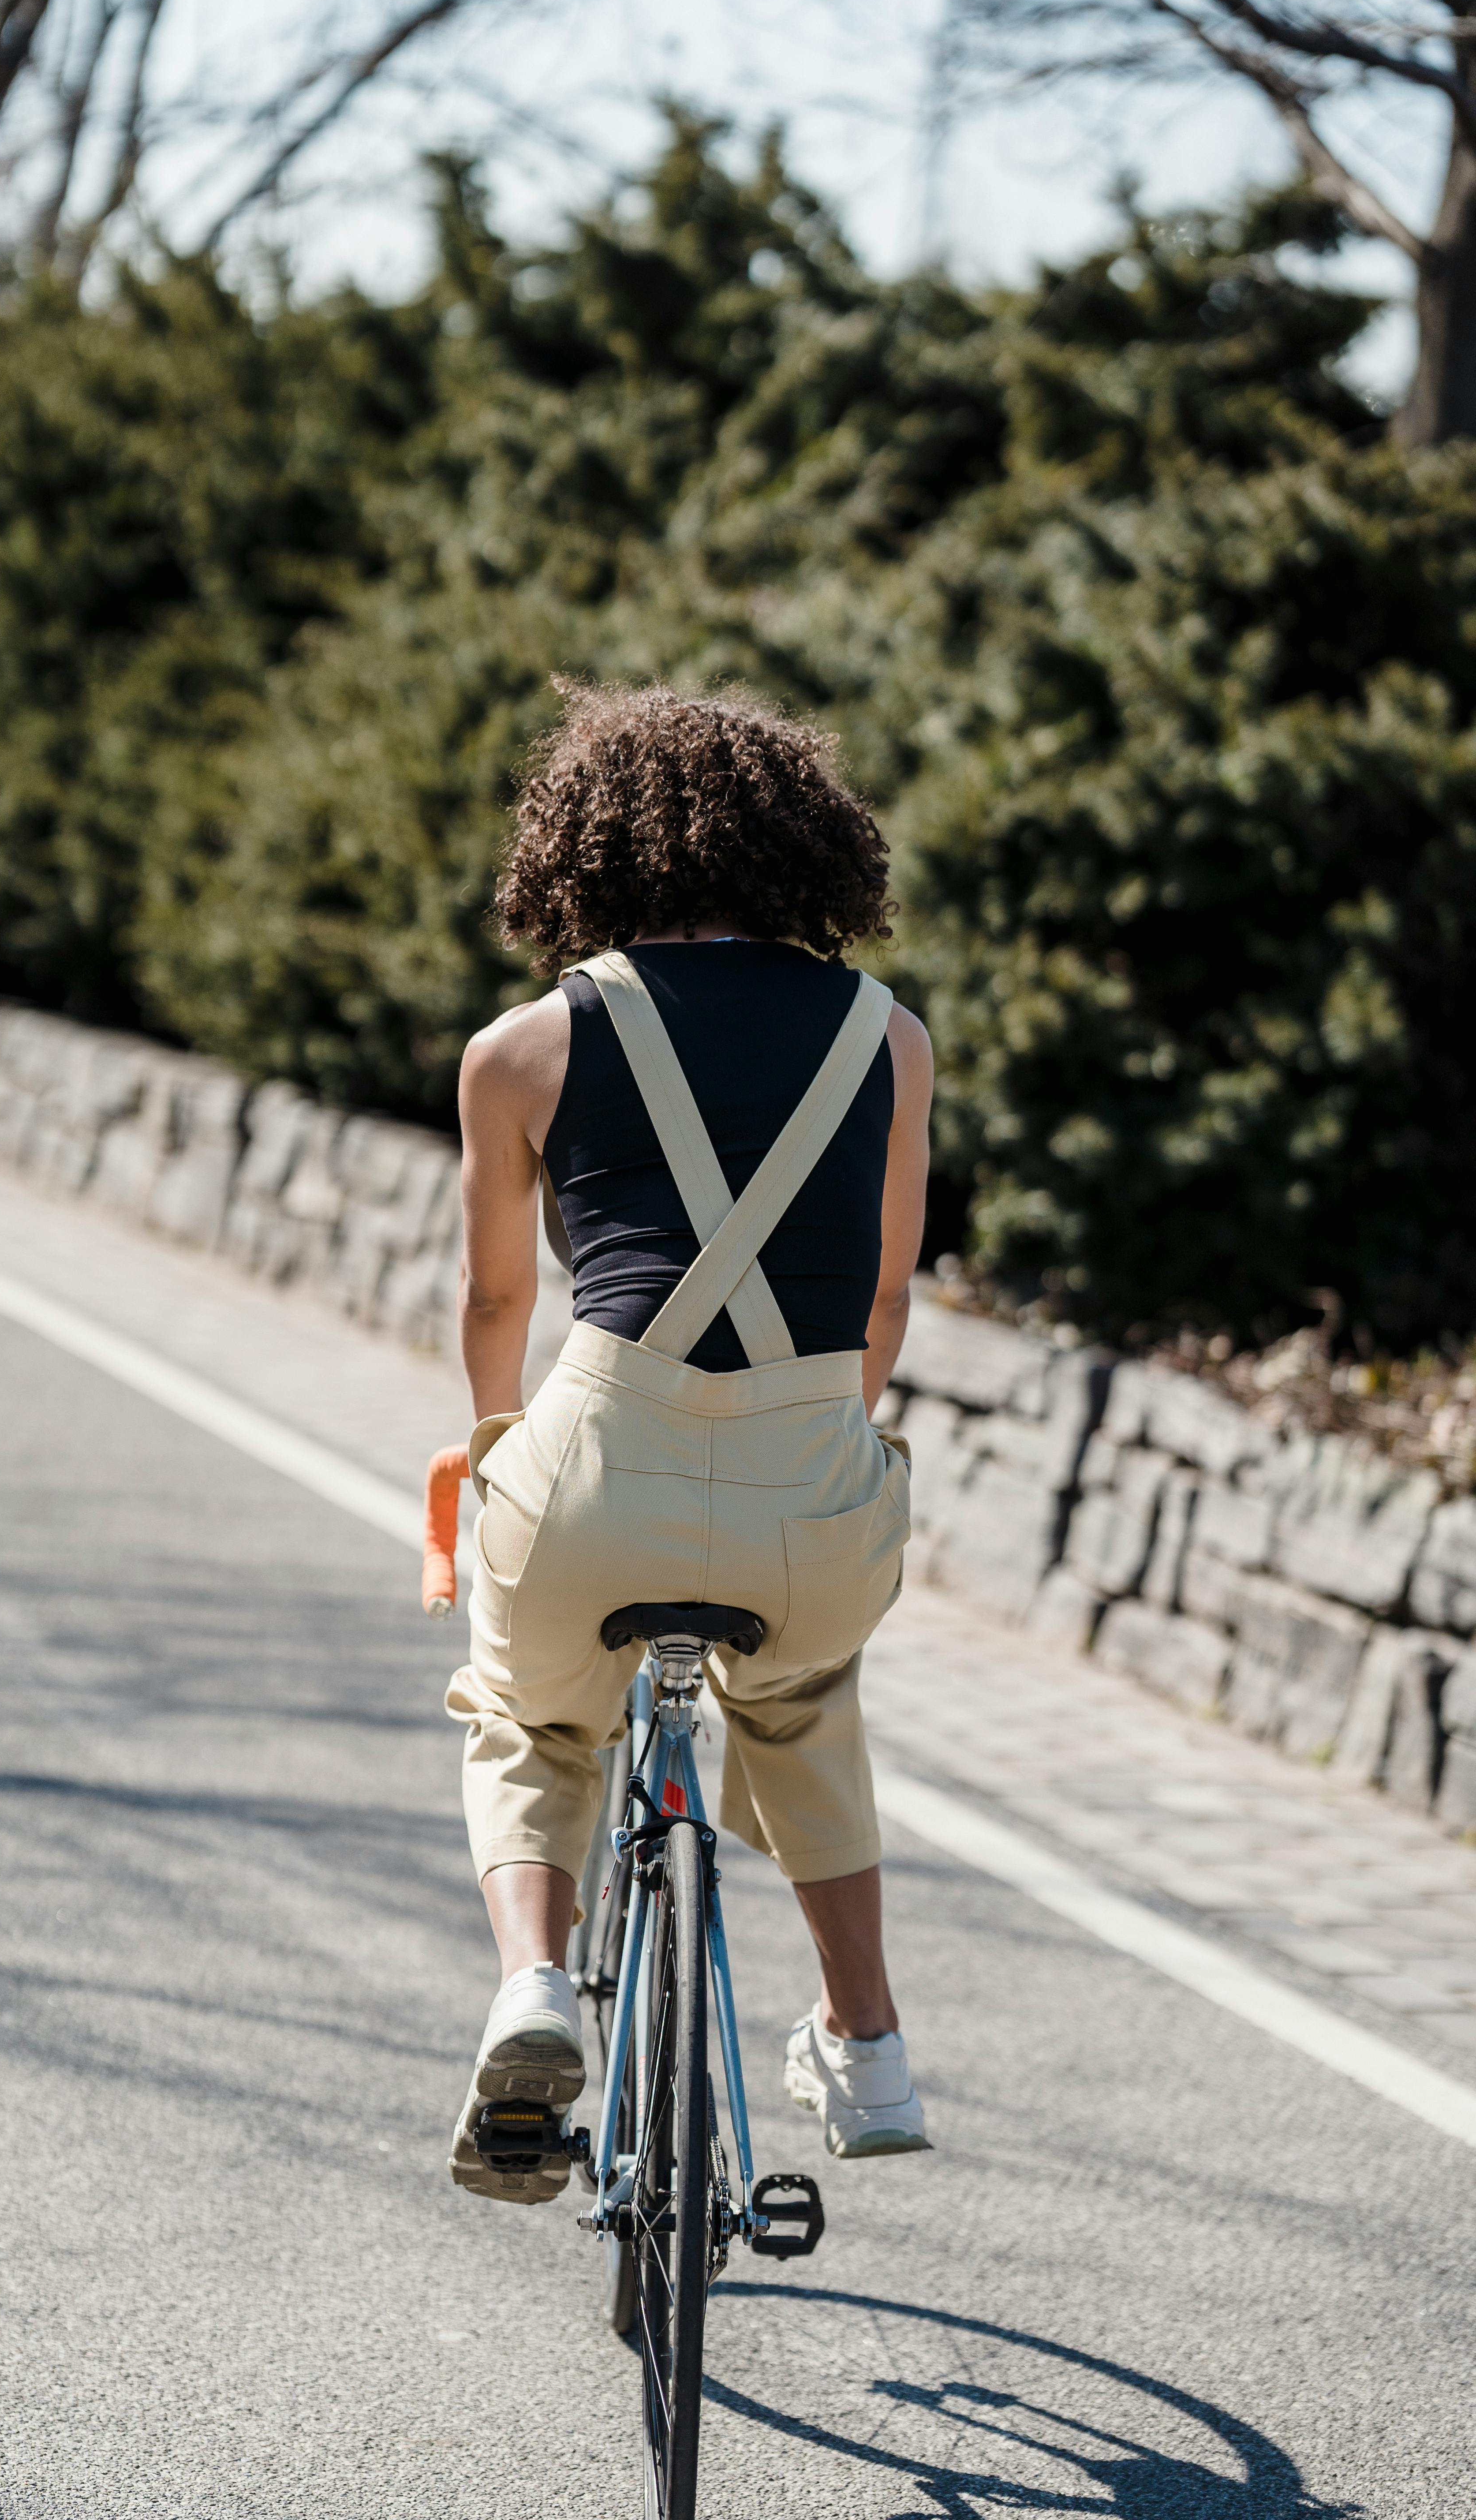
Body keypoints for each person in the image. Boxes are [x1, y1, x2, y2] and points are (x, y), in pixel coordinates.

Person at [445, 679, 934, 2204]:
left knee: (530, 1717)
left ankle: (532, 1983)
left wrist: (486, 1465)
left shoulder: (521, 1047)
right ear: (806, 851)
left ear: (584, 855)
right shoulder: (887, 1040)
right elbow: (883, 1301)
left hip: (594, 1474)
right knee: (798, 1702)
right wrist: (805, 1458)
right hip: (807, 1490)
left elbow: (495, 1305)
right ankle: (868, 2045)